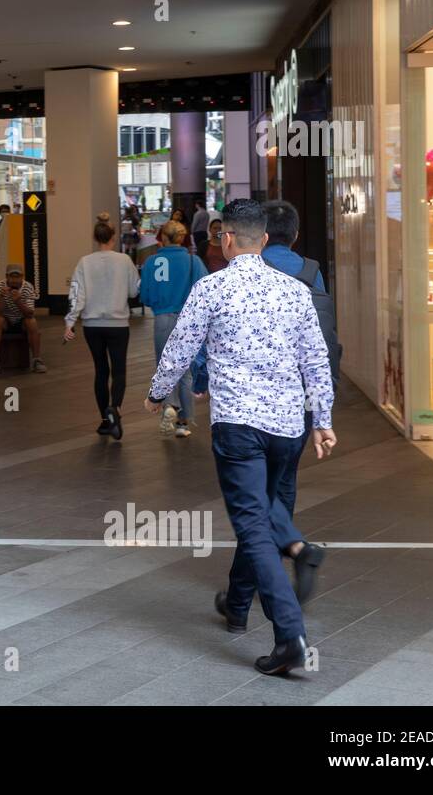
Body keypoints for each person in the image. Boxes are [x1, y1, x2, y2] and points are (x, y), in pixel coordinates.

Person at [144, 199, 335, 676]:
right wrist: (323, 420)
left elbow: (180, 349)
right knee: (268, 514)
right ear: (265, 239)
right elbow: (316, 359)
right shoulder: (294, 292)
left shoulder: (212, 289)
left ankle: (290, 635)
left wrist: (156, 394)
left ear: (226, 239)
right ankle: (255, 584)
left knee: (251, 527)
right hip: (288, 429)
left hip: (238, 429)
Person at [260, 199, 341, 516]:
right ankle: (279, 539)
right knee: (285, 474)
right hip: (301, 389)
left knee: (254, 473)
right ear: (295, 234)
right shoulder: (312, 272)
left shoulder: (248, 271)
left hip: (256, 387)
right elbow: (324, 337)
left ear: (261, 234)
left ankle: (263, 542)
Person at [63, 214, 140, 439]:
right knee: (119, 370)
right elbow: (134, 291)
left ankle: (105, 421)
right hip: (118, 324)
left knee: (100, 370)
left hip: (92, 325)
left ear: (95, 238)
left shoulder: (84, 262)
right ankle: (114, 408)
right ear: (113, 237)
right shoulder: (124, 261)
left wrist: (70, 322)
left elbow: (76, 294)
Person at [140, 220, 206, 438]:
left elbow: (146, 296)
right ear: (182, 237)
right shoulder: (192, 260)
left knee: (165, 368)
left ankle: (169, 405)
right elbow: (204, 292)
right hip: (186, 321)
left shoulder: (151, 261)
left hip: (161, 320)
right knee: (186, 373)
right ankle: (183, 423)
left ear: (162, 237)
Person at [0, 263, 46, 374]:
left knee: (32, 322)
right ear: (7, 276)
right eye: (12, 277)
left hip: (22, 319)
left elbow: (30, 313)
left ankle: (37, 359)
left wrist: (18, 301)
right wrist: (1, 297)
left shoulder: (28, 287)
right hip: (6, 319)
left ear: (22, 277)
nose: (15, 280)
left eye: (17, 277)